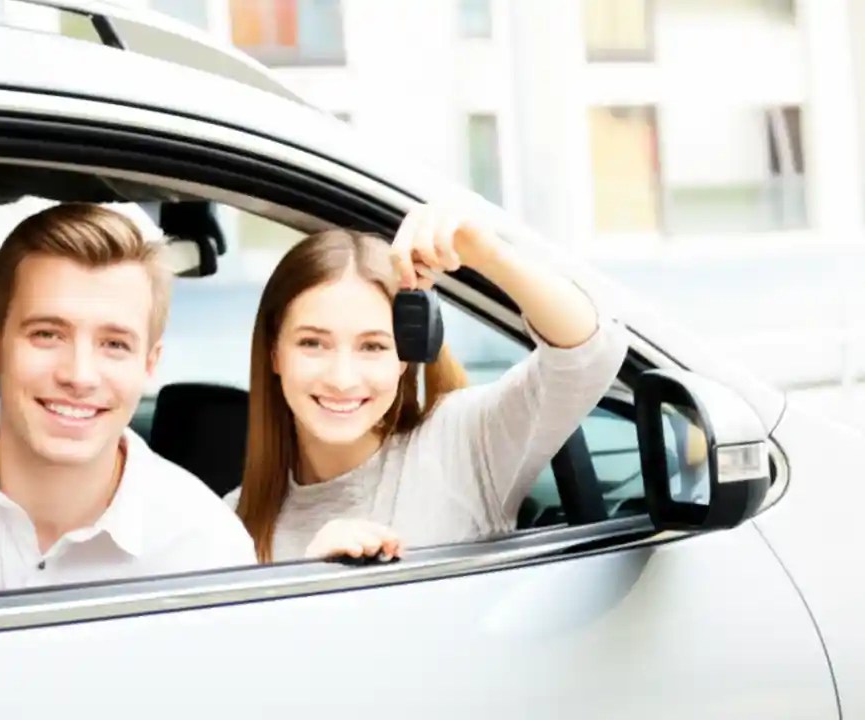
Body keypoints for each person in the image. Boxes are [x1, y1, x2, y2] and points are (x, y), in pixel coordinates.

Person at [226, 198, 630, 563]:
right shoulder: (232, 521)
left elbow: (591, 355)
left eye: (373, 347)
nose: (342, 378)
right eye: (313, 343)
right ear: (274, 353)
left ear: (405, 358)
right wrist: (306, 578)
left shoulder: (461, 440)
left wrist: (490, 255)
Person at [0, 203, 257, 594]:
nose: (79, 376)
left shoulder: (204, 550)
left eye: (114, 344)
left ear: (149, 365)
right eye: (47, 334)